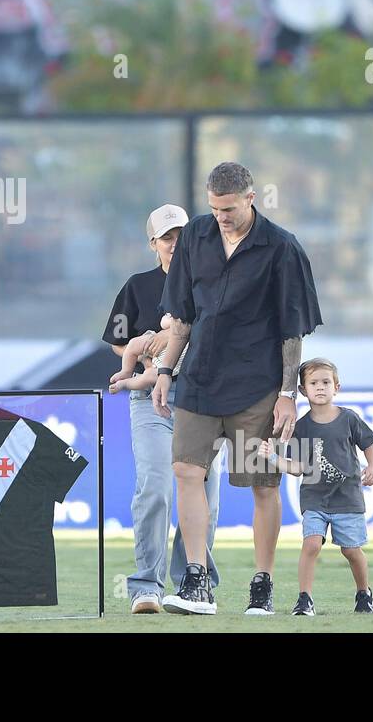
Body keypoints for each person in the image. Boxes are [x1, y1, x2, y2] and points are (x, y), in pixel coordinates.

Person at [153, 162, 323, 616]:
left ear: (251, 198)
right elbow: (184, 316)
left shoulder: (283, 248)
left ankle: (262, 584)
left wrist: (288, 394)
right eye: (213, 208)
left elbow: (292, 332)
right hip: (199, 380)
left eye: (228, 208)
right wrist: (167, 369)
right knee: (187, 472)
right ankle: (196, 582)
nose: (220, 217)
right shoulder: (194, 237)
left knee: (262, 485)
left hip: (257, 386)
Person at [102, 204, 220, 616]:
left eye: (181, 235)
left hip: (203, 400)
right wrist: (147, 350)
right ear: (153, 244)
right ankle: (145, 586)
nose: (175, 244)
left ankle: (195, 581)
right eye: (167, 237)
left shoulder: (212, 281)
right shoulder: (137, 285)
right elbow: (118, 341)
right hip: (152, 402)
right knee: (154, 487)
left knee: (206, 494)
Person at [260, 357, 373, 616]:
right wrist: (273, 458)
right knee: (311, 544)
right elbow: (298, 467)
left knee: (351, 550)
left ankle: (364, 593)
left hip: (348, 498)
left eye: (326, 382)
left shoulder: (349, 419)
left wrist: (372, 467)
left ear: (337, 387)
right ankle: (305, 599)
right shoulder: (301, 427)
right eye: (313, 383)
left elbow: (368, 444)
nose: (320, 387)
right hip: (314, 499)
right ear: (303, 390)